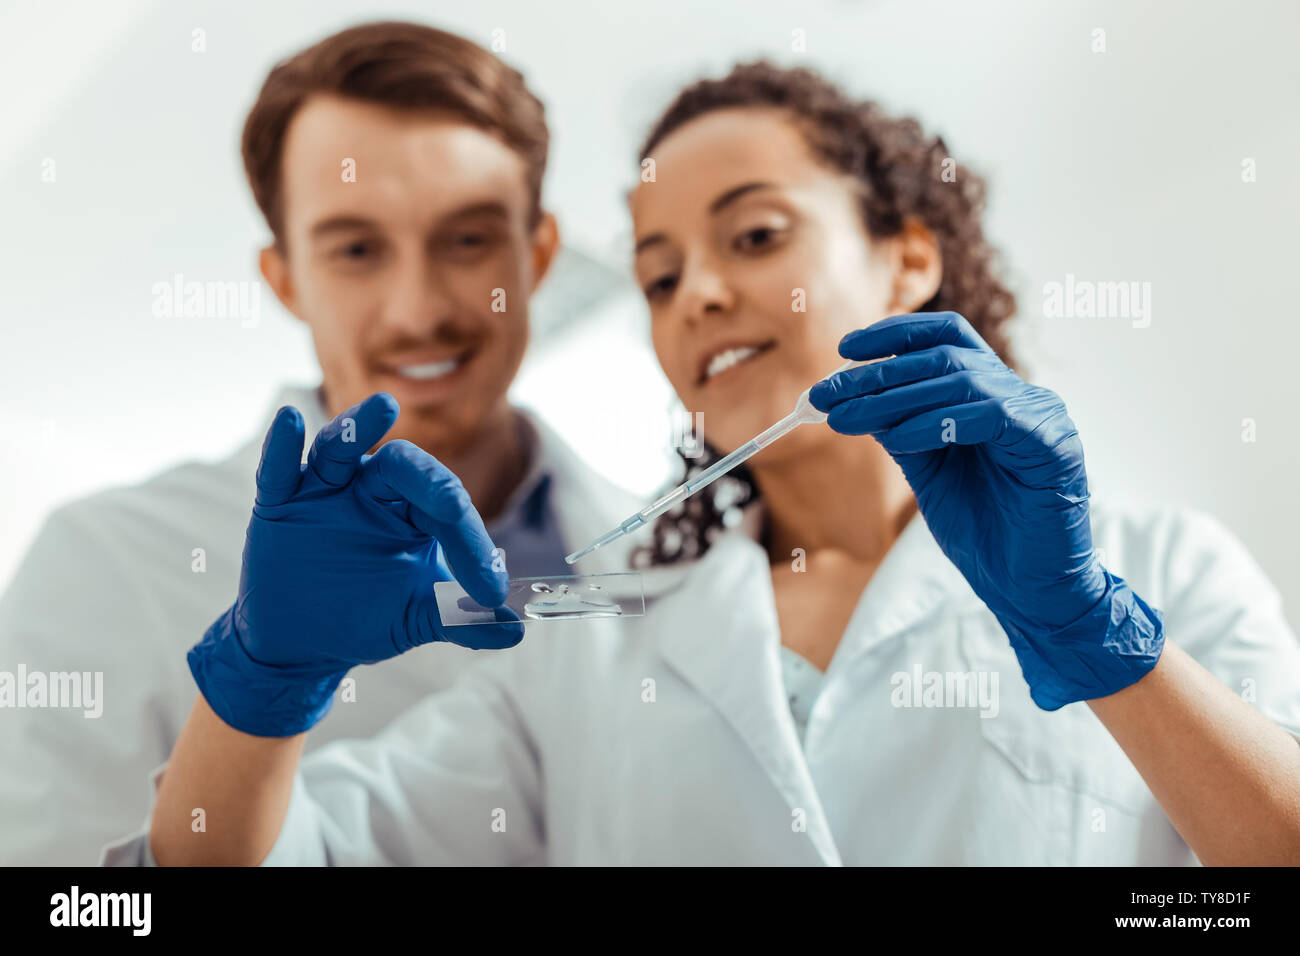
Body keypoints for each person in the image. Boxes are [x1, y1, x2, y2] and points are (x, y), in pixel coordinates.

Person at [105, 62, 1300, 866]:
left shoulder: (1163, 568)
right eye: (661, 272)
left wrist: (1099, 637)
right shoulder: (586, 636)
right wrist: (263, 679)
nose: (702, 293)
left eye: (755, 234)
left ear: (908, 257)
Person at [0, 21, 639, 865]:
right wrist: (259, 692)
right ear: (286, 278)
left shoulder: (674, 555)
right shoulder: (105, 560)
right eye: (357, 249)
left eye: (469, 239)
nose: (417, 309)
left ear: (540, 252)